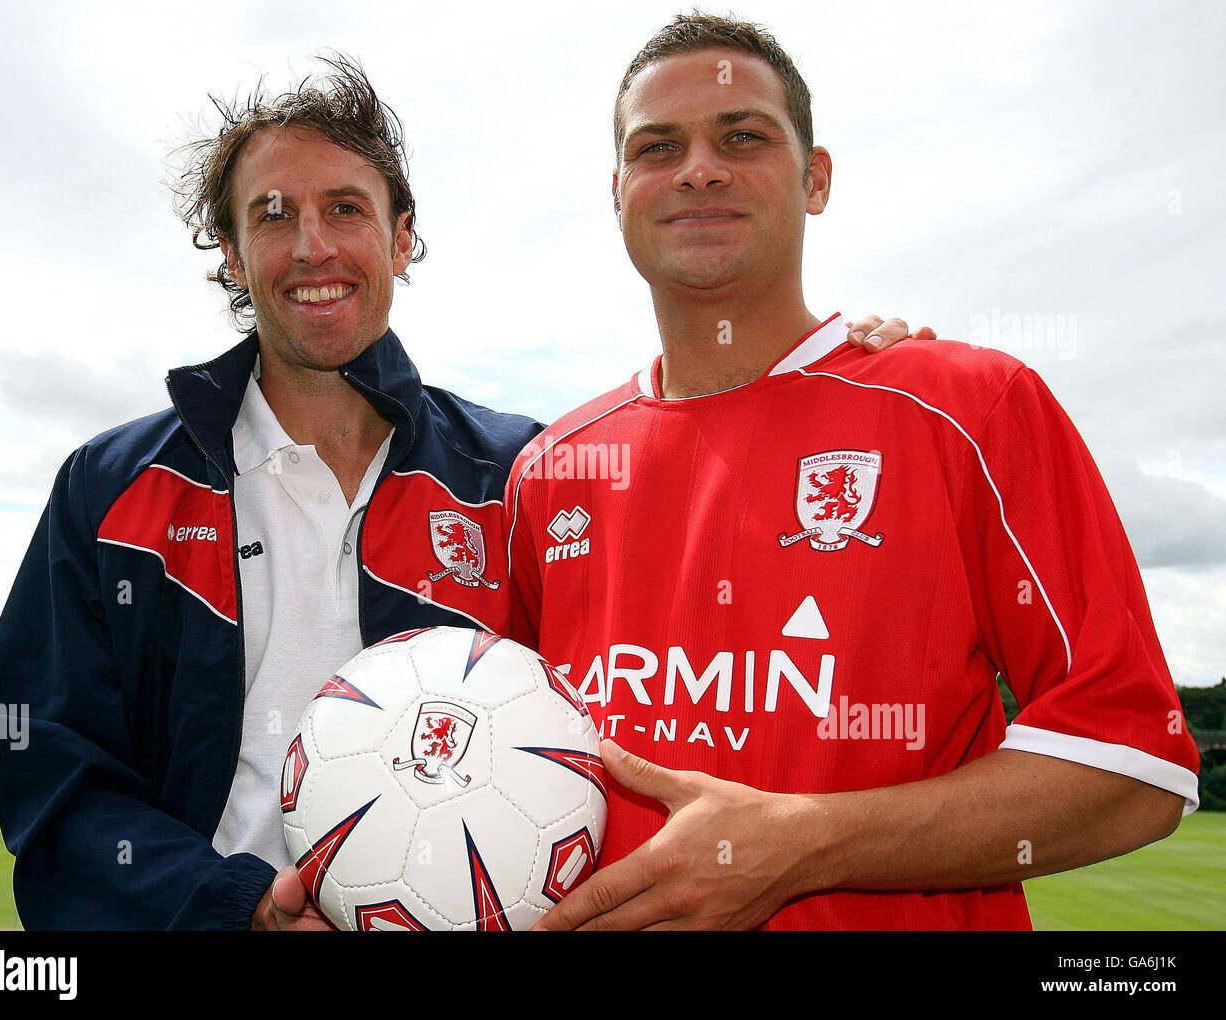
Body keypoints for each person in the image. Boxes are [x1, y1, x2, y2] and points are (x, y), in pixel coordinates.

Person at [0, 53, 917, 930]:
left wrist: (823, 378)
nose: (312, 247)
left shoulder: (524, 473)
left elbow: (684, 634)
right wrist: (233, 904)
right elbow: (49, 768)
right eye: (271, 214)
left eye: (346, 208)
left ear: (402, 236)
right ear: (227, 247)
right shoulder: (115, 486)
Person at [505, 13, 1200, 931]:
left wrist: (805, 843)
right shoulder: (553, 469)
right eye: (658, 147)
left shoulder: (971, 408)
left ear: (816, 178)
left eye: (743, 137)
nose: (698, 167)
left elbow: (1135, 766)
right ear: (619, 189)